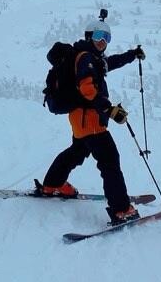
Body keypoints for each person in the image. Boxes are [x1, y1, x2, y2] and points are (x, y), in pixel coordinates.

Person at [38, 16, 146, 224]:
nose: (102, 41)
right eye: (98, 36)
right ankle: (121, 209)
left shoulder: (90, 58)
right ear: (88, 36)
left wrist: (132, 55)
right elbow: (87, 90)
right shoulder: (86, 58)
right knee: (109, 162)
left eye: (106, 37)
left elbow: (110, 63)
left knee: (76, 152)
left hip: (81, 120)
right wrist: (110, 110)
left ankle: (53, 185)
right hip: (91, 121)